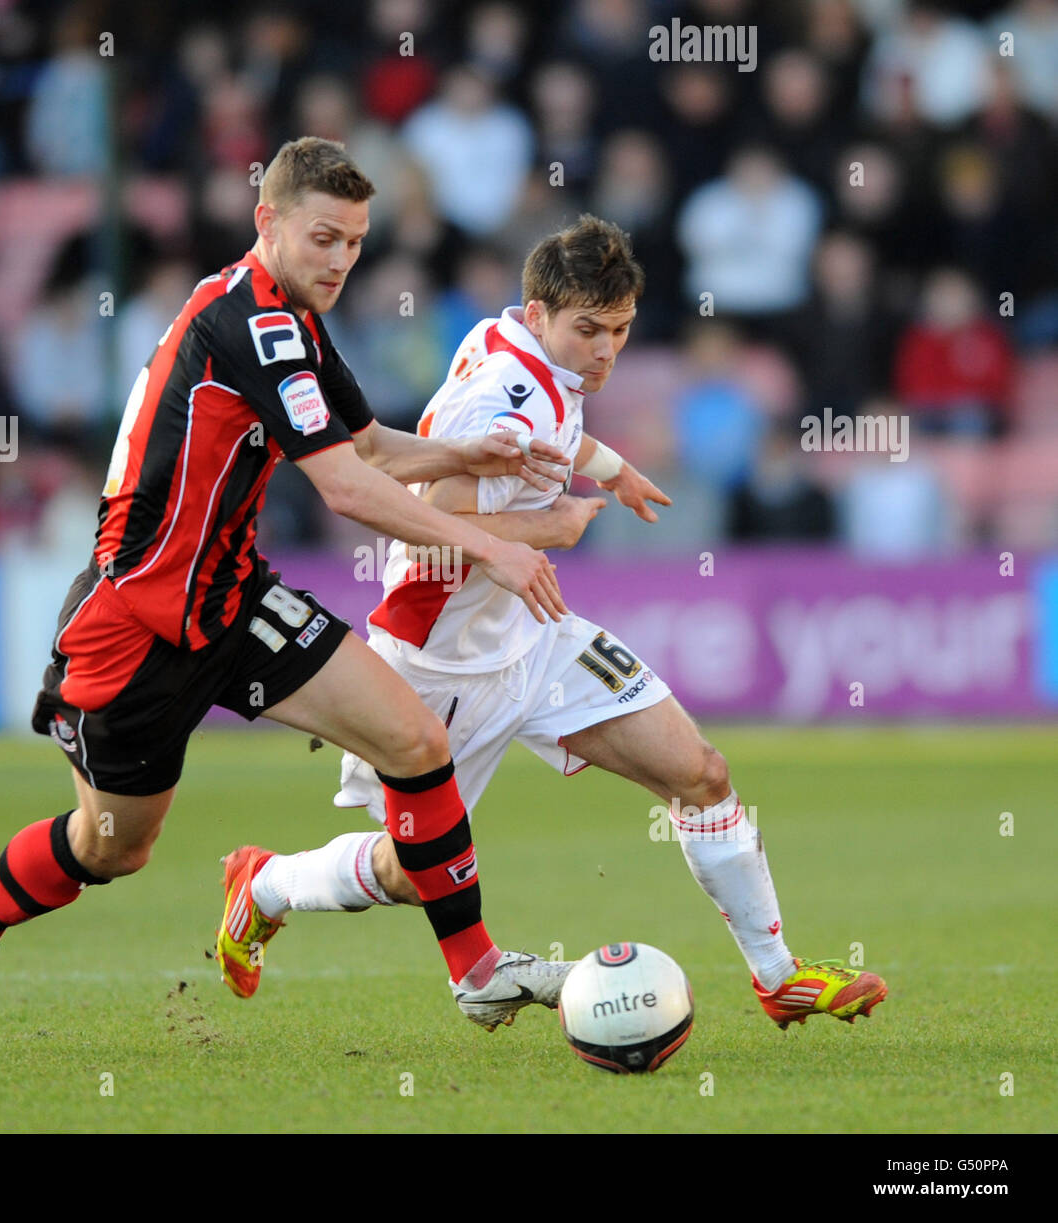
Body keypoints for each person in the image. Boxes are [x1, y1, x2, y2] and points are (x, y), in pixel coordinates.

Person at [0, 137, 578, 1029]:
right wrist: (488, 545)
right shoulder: (251, 324)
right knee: (112, 849)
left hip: (234, 599)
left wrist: (465, 451)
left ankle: (477, 970)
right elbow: (346, 488)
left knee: (418, 743)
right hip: (138, 622)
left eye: (354, 241)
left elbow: (370, 445)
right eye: (323, 238)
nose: (341, 259)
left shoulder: (289, 317)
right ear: (268, 222)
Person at [221, 215, 888, 1033]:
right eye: (589, 331)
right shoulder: (507, 392)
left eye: (620, 330)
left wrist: (611, 467)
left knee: (702, 772)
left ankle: (778, 976)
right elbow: (431, 521)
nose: (606, 351)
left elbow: (551, 434)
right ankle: (264, 884)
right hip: (441, 661)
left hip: (534, 636)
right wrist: (555, 528)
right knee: (405, 873)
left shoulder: (529, 352)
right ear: (538, 314)